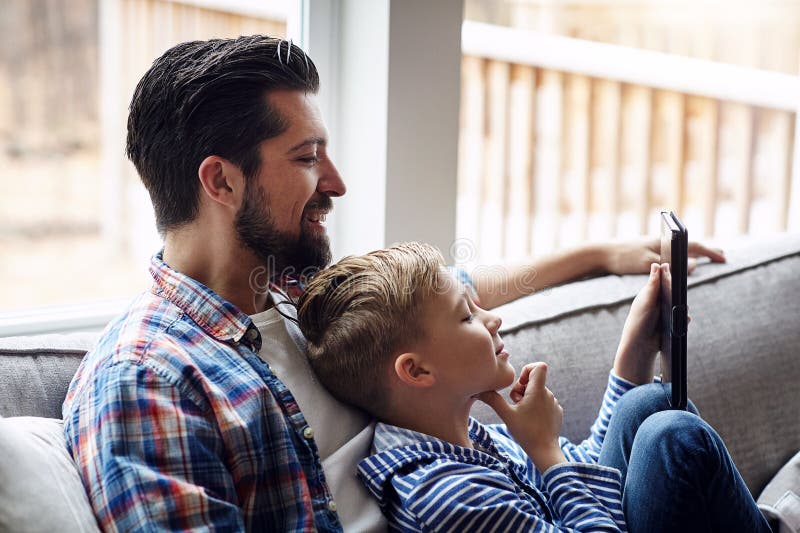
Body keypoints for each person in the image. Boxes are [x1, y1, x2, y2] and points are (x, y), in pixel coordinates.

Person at [61, 35, 726, 531]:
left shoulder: (300, 294)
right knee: (672, 440)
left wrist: (599, 255)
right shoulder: (147, 379)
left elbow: (446, 293)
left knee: (650, 410)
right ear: (221, 181)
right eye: (307, 158)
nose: (337, 183)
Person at [296, 242, 771, 532]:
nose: (493, 318)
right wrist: (544, 450)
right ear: (417, 372)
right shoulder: (448, 498)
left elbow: (584, 478)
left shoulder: (466, 438)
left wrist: (633, 354)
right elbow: (566, 481)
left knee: (648, 403)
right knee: (672, 438)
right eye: (466, 316)